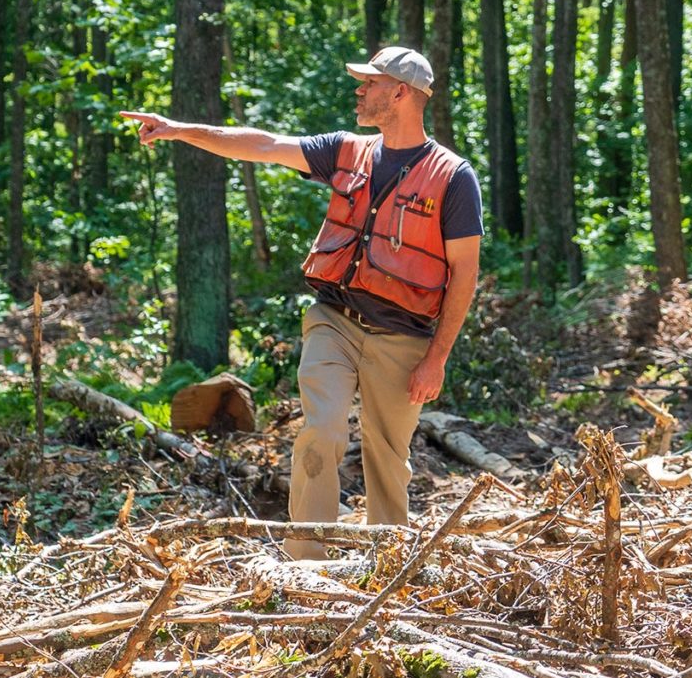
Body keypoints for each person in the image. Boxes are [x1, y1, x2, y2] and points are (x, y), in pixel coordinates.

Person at [122, 46, 484, 558]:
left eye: (369, 82)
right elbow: (264, 144)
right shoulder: (345, 151)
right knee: (321, 430)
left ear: (400, 93)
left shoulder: (452, 177)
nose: (359, 90)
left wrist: (437, 359)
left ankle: (389, 570)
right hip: (334, 320)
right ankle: (306, 566)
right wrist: (180, 129)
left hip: (405, 337)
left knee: (387, 457)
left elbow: (465, 273)